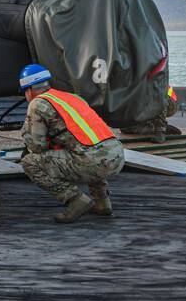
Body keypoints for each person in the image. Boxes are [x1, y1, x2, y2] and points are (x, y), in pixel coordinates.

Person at [16, 64, 124, 223]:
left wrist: (26, 132)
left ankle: (76, 199)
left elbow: (37, 146)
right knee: (85, 150)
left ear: (29, 90)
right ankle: (102, 203)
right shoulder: (71, 97)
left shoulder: (37, 103)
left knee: (30, 162)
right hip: (117, 155)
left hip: (93, 161)